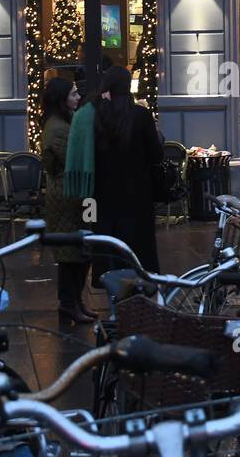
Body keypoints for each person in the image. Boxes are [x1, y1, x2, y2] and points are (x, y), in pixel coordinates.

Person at [91, 66, 163, 282]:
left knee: (109, 241)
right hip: (137, 191)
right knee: (140, 243)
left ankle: (111, 281)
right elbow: (156, 154)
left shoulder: (97, 115)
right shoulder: (141, 115)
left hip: (104, 191)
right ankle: (141, 280)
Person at [41, 76, 96, 324]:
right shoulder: (60, 128)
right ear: (61, 98)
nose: (78, 97)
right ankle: (69, 304)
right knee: (70, 254)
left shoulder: (66, 122)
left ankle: (76, 302)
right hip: (69, 198)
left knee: (83, 249)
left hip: (76, 196)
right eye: (73, 93)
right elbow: (74, 160)